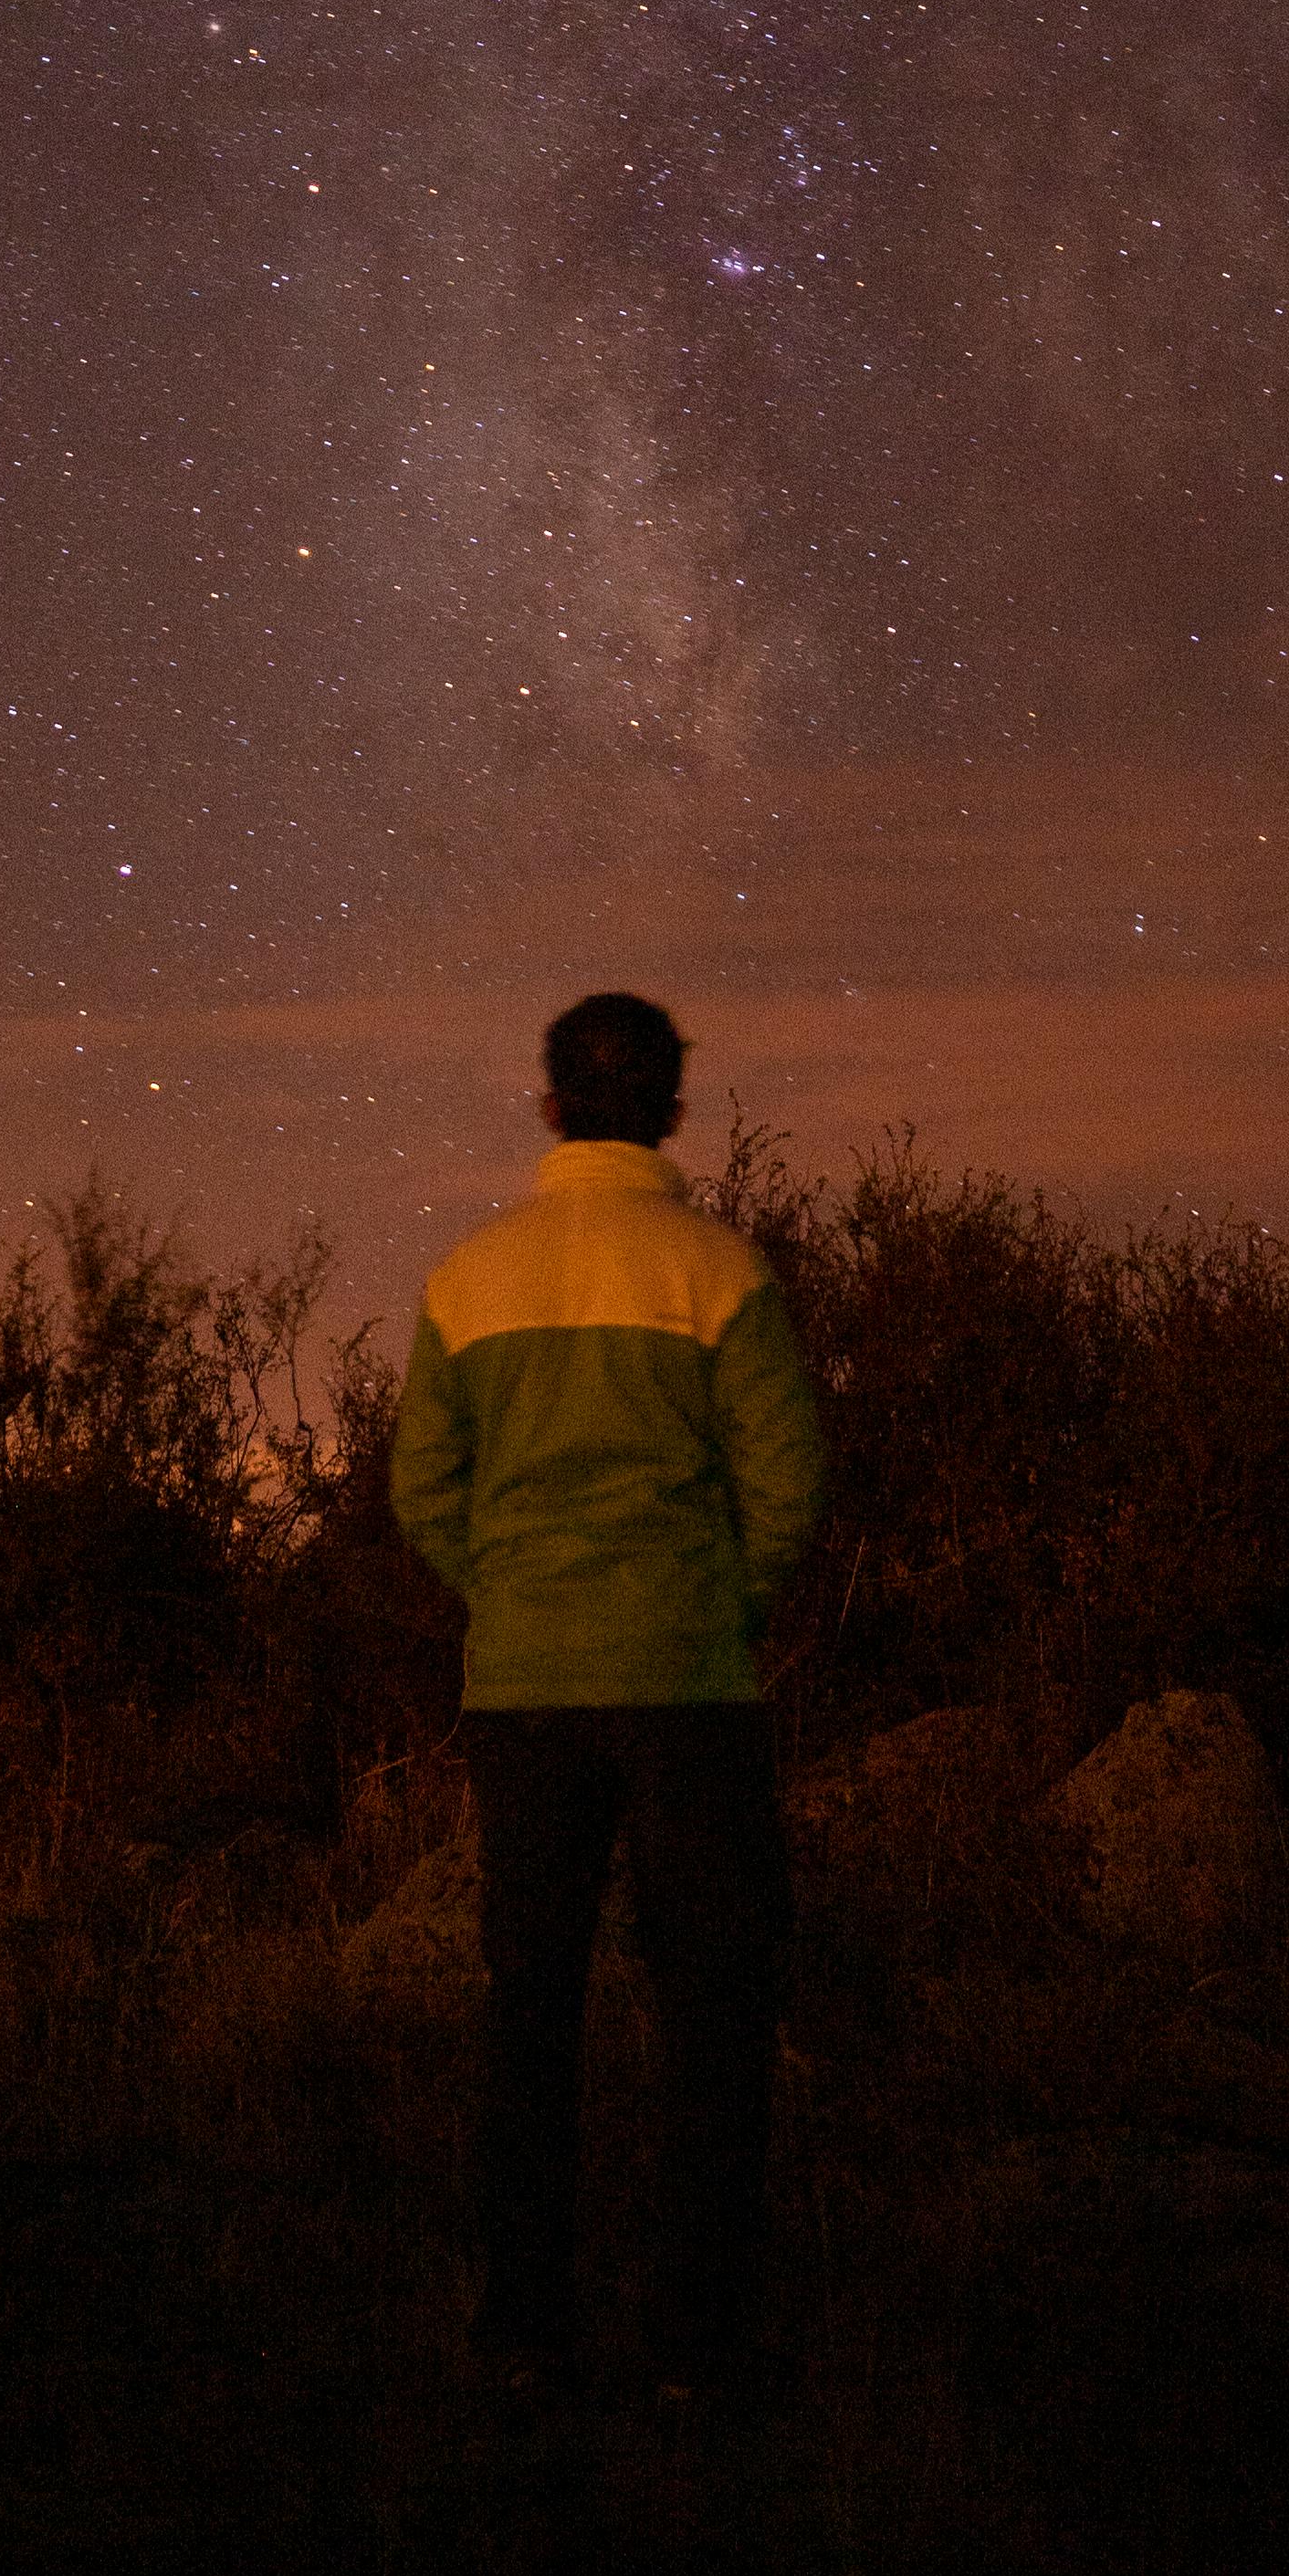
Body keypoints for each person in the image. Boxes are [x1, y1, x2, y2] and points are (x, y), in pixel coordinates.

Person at [389, 989, 827, 2412]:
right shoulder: (718, 1268)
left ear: (551, 1105)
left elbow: (419, 1491)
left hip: (526, 1690)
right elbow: (788, 1482)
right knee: (711, 2008)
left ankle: (523, 2333)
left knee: (532, 2012)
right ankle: (694, 2346)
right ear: (674, 1110)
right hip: (686, 1686)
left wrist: (508, 1591)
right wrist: (718, 1603)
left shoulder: (473, 1276)